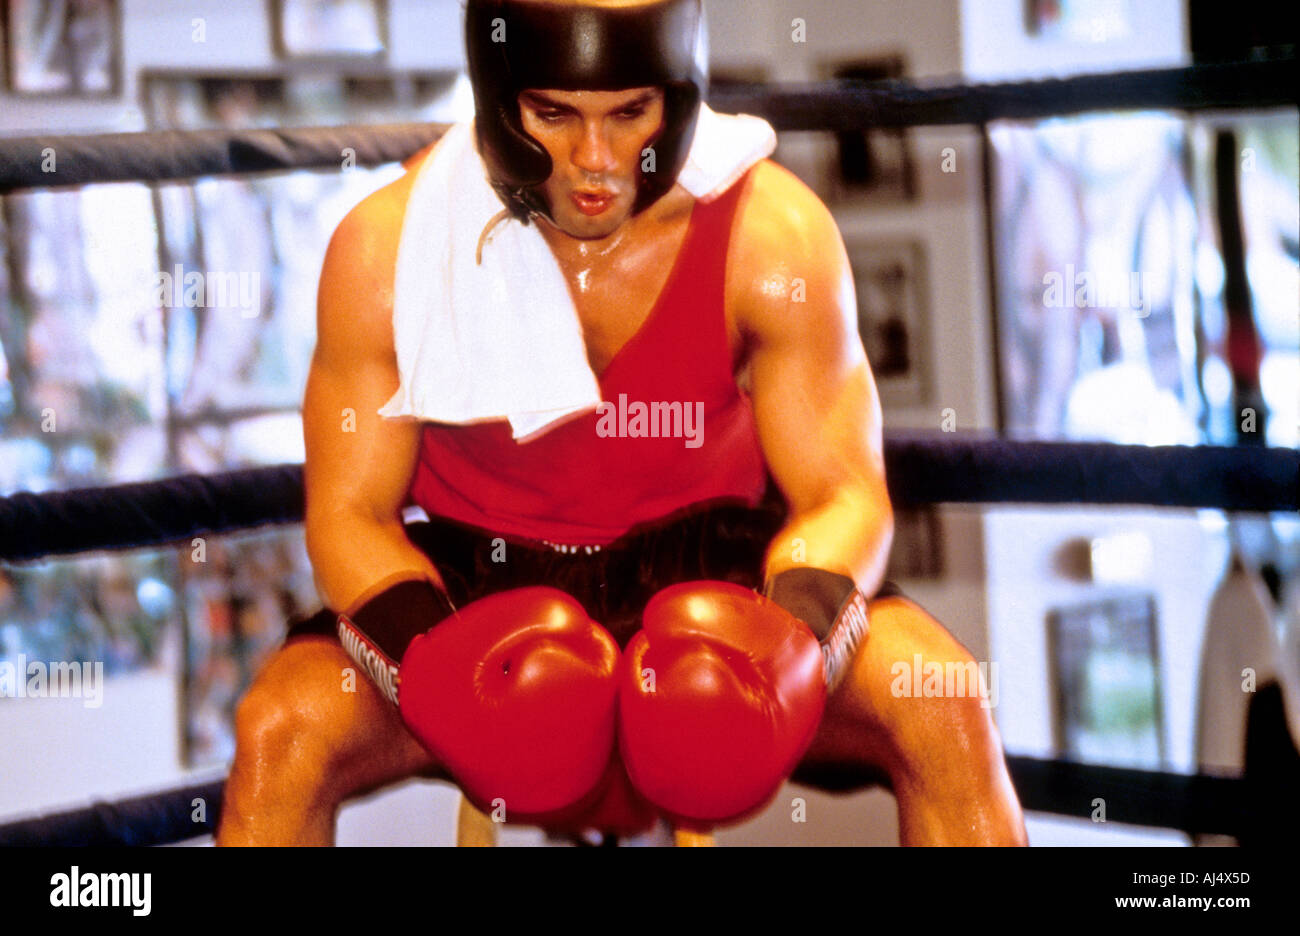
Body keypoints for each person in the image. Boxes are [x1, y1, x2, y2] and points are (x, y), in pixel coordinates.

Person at [216, 0, 1027, 846]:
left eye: (630, 112)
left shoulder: (771, 236)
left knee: (942, 696)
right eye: (554, 114)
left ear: (677, 97)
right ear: (498, 92)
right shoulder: (388, 251)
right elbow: (348, 517)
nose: (595, 160)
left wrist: (785, 648)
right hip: (475, 585)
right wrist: (432, 665)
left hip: (716, 576)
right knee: (281, 729)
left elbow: (845, 493)